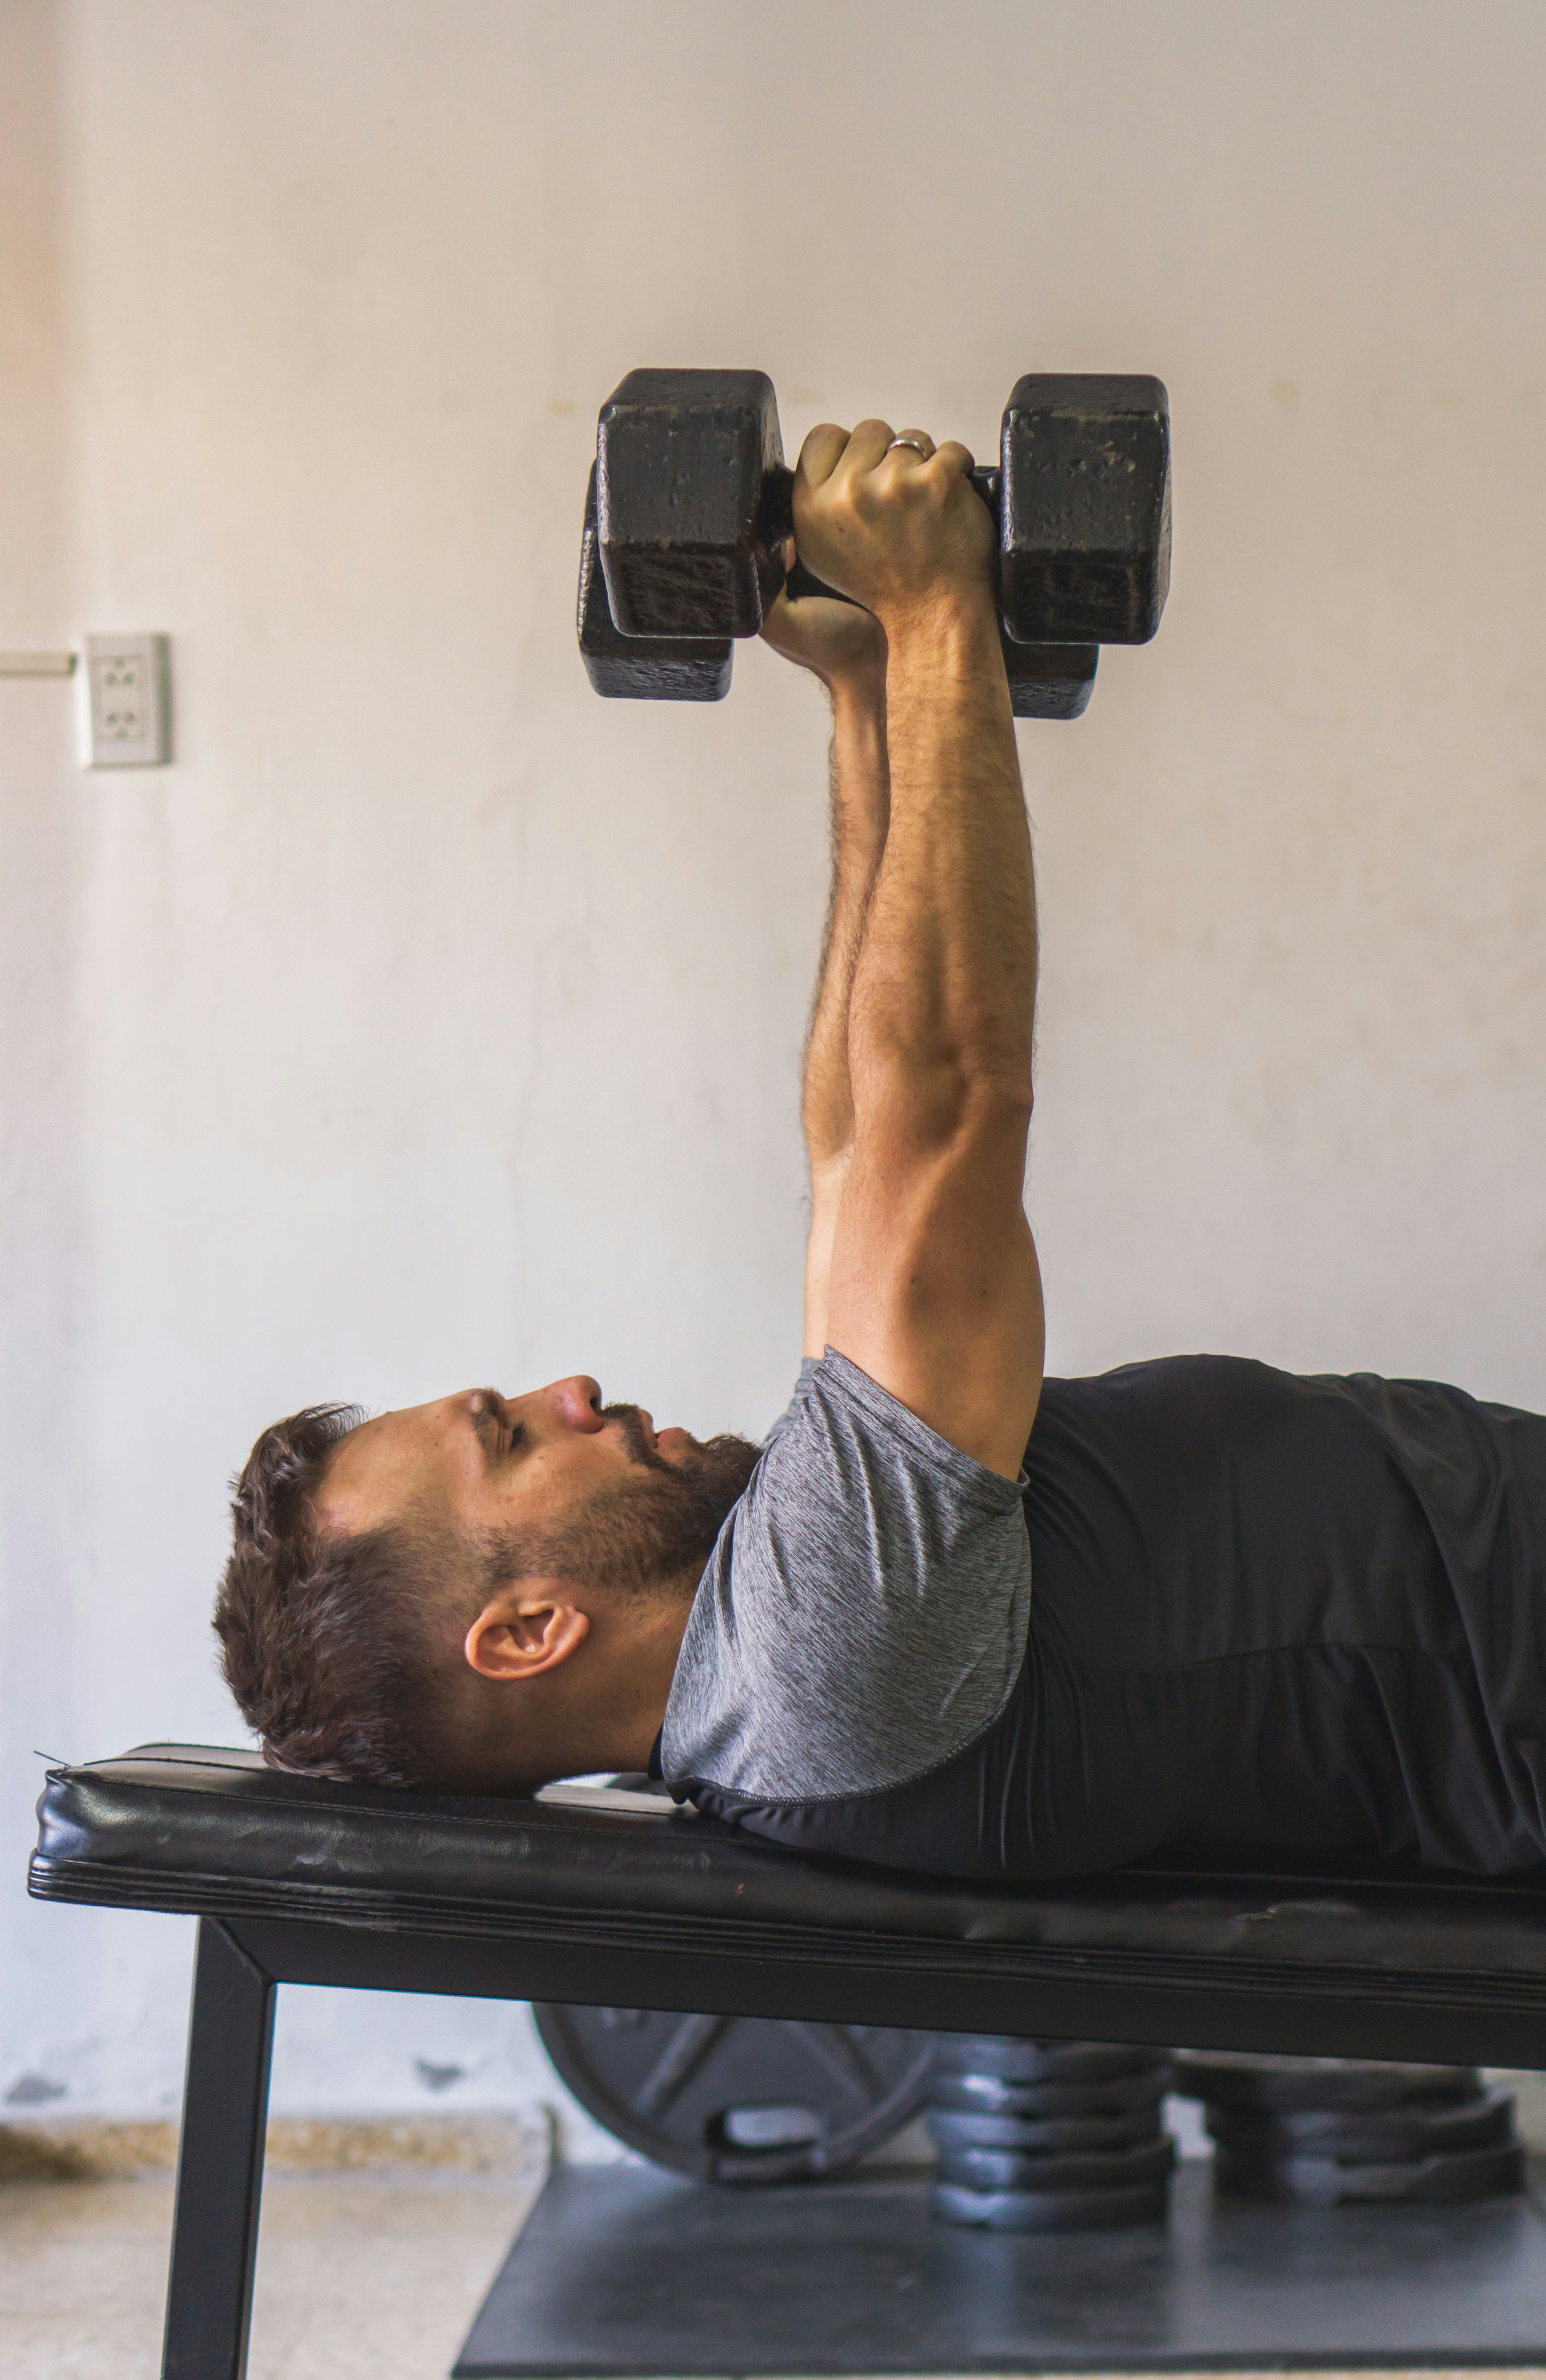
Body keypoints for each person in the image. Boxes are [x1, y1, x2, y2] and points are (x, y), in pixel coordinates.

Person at [214, 417, 1546, 1883]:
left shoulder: (762, 1667)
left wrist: (865, 703)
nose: (568, 1386)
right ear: (527, 1631)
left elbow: (854, 1147)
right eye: (512, 1437)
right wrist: (931, 613)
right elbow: (946, 1099)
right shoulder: (815, 1658)